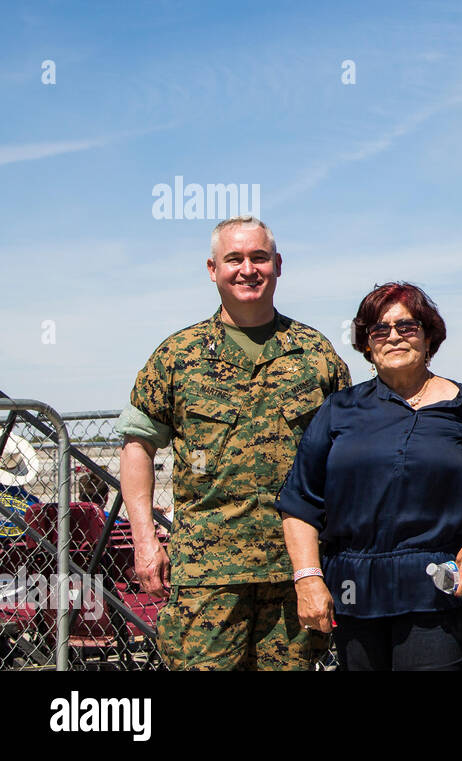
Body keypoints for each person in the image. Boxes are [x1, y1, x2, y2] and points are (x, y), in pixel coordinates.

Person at [115, 216, 350, 670]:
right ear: (212, 269)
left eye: (259, 258)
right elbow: (137, 447)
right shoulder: (179, 355)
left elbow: (347, 455)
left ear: (278, 265)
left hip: (294, 573)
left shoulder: (316, 354)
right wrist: (145, 540)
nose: (248, 269)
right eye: (234, 259)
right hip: (207, 578)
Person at [277, 283, 462, 671]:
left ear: (429, 337)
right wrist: (308, 578)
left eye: (407, 327)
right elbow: (300, 502)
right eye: (379, 329)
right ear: (366, 344)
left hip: (439, 590)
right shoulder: (339, 410)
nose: (393, 336)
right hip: (355, 591)